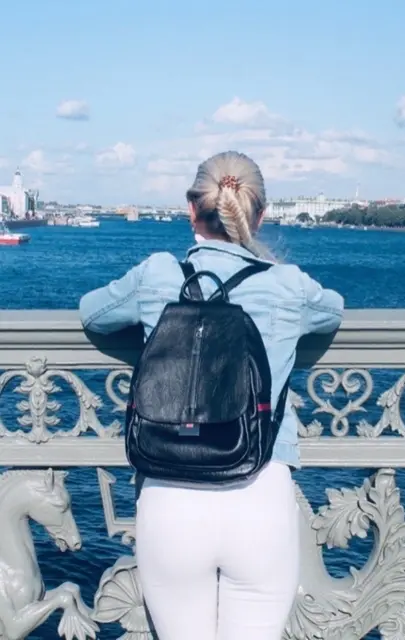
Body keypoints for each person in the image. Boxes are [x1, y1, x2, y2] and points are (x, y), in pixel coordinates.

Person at [79, 150, 344, 640]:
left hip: (170, 495)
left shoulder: (158, 273)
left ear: (190, 209)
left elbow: (92, 314)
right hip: (259, 491)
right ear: (259, 214)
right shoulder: (287, 284)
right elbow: (333, 311)